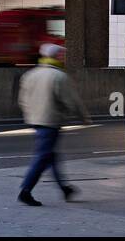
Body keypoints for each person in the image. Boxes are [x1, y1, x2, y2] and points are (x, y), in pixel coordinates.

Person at [17, 42, 90, 206]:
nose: (63, 58)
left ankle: (65, 188)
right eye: (61, 55)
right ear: (56, 56)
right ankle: (25, 191)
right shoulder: (59, 76)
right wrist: (84, 117)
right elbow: (71, 101)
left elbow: (23, 100)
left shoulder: (30, 74)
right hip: (50, 121)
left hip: (35, 120)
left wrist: (31, 115)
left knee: (51, 156)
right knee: (43, 157)